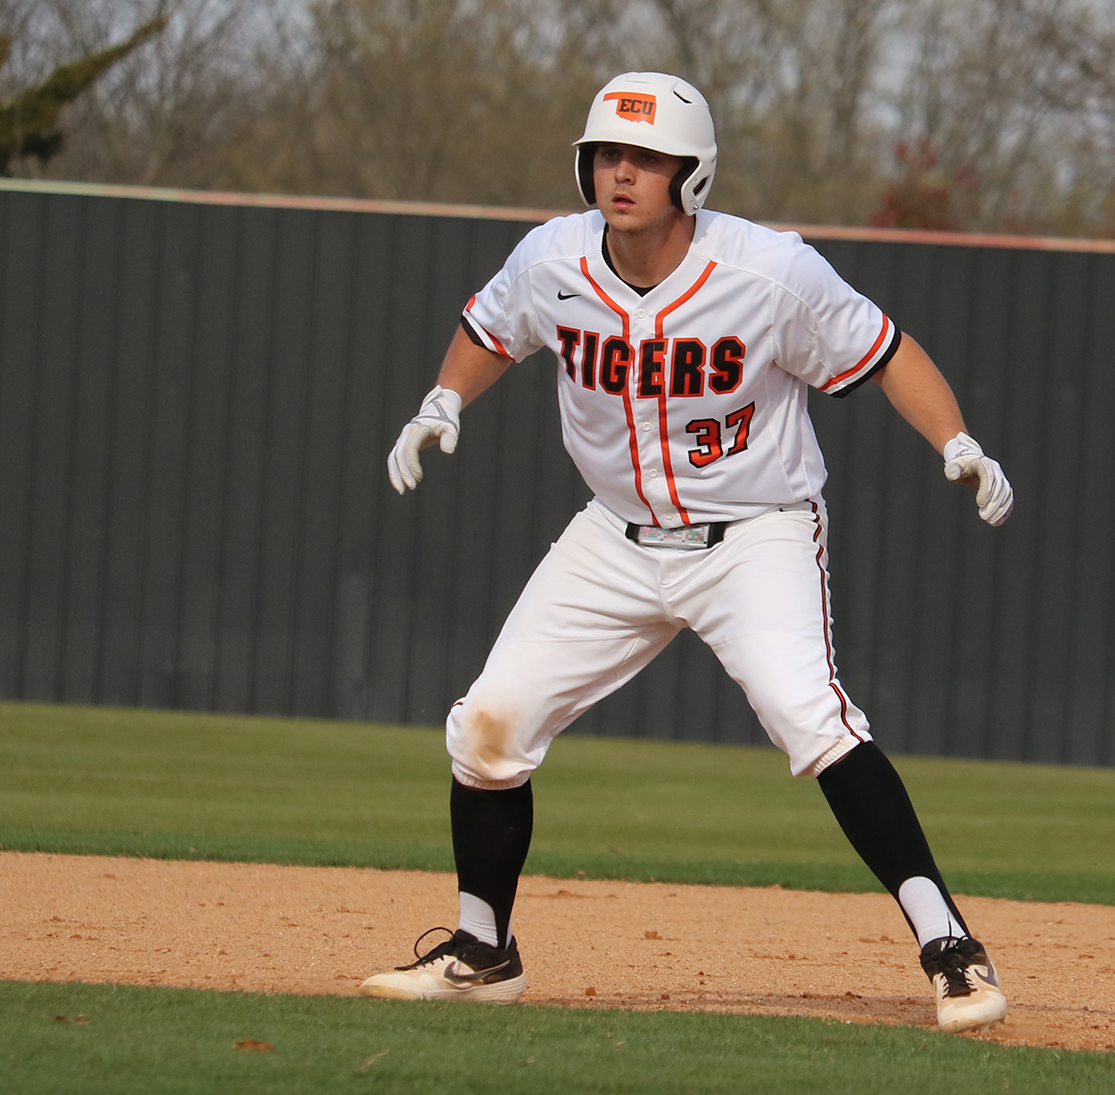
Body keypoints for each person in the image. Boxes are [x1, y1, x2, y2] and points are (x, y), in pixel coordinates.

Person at [360, 72, 1015, 1033]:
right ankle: (482, 950)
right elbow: (492, 326)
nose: (622, 174)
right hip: (613, 535)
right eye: (608, 156)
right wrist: (443, 399)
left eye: (647, 159)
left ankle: (951, 947)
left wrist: (957, 441)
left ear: (692, 174)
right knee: (487, 727)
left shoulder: (769, 271)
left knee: (813, 717)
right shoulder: (555, 256)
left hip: (754, 532)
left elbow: (886, 349)